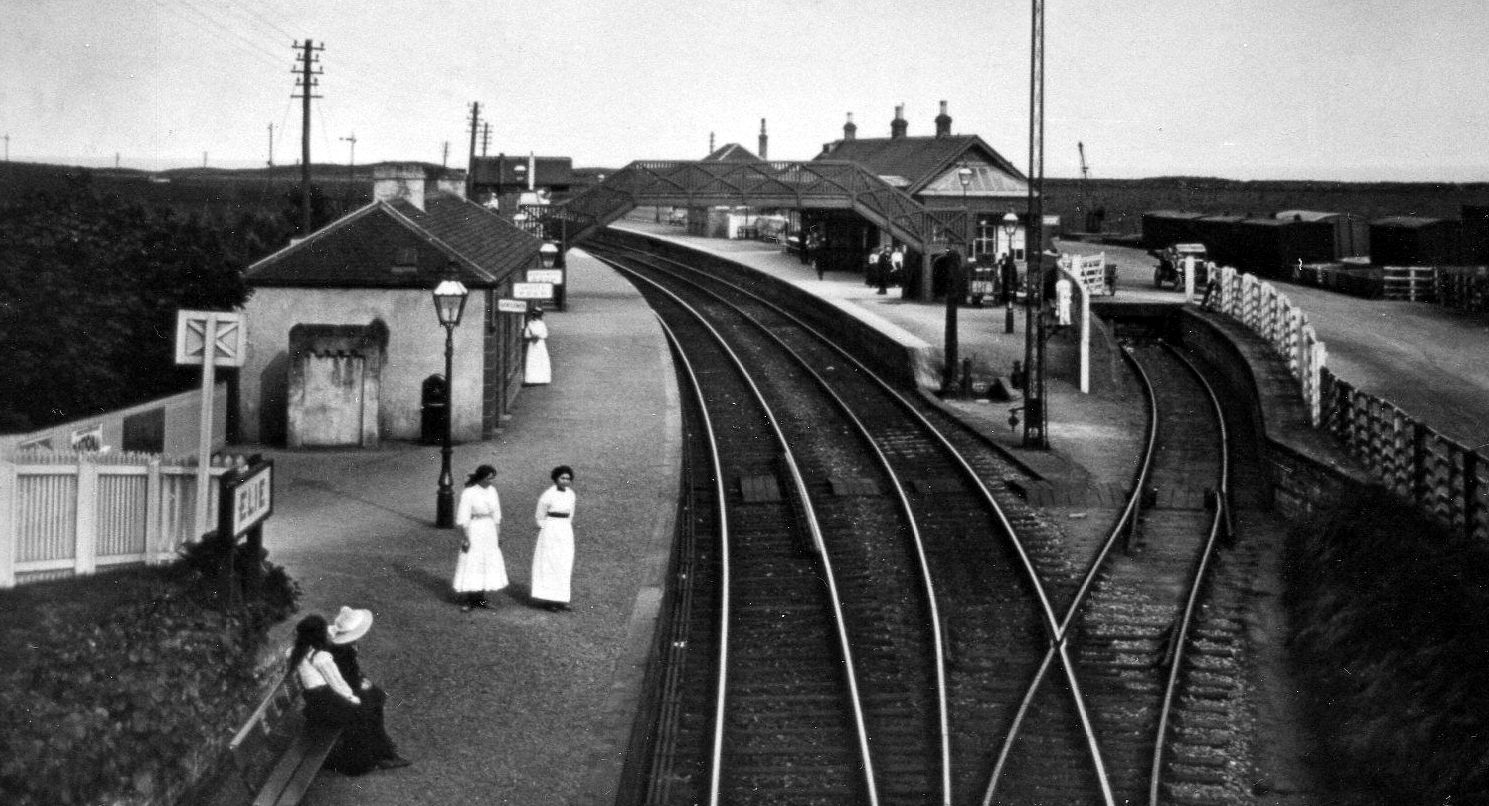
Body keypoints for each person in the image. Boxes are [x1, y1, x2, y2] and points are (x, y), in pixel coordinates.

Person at [288, 614, 408, 776]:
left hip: (317, 702)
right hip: (327, 702)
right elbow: (338, 684)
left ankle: (381, 749)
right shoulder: (323, 657)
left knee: (372, 701)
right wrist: (353, 698)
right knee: (365, 708)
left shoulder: (299, 652)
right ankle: (370, 757)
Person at [453, 464, 508, 612]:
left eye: (492, 478)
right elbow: (464, 516)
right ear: (481, 478)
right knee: (473, 562)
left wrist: (498, 534)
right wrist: (466, 537)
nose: (491, 481)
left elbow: (496, 514)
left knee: (486, 562)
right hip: (475, 529)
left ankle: (481, 599)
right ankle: (470, 599)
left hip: (489, 529)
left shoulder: (493, 491)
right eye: (488, 478)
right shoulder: (469, 493)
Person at [531, 465, 577, 611]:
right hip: (550, 530)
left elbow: (570, 514)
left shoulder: (571, 494)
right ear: (556, 478)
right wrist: (547, 529)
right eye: (562, 478)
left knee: (564, 563)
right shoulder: (548, 495)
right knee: (550, 563)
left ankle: (561, 599)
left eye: (568, 478)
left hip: (565, 530)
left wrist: (564, 528)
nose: (565, 481)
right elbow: (539, 516)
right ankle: (549, 600)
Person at [523, 307, 551, 385]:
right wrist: (534, 336)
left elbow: (545, 334)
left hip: (537, 344)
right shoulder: (531, 324)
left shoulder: (539, 324)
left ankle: (540, 379)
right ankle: (533, 379)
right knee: (534, 360)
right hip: (535, 344)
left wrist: (536, 336)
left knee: (539, 359)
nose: (536, 318)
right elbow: (527, 335)